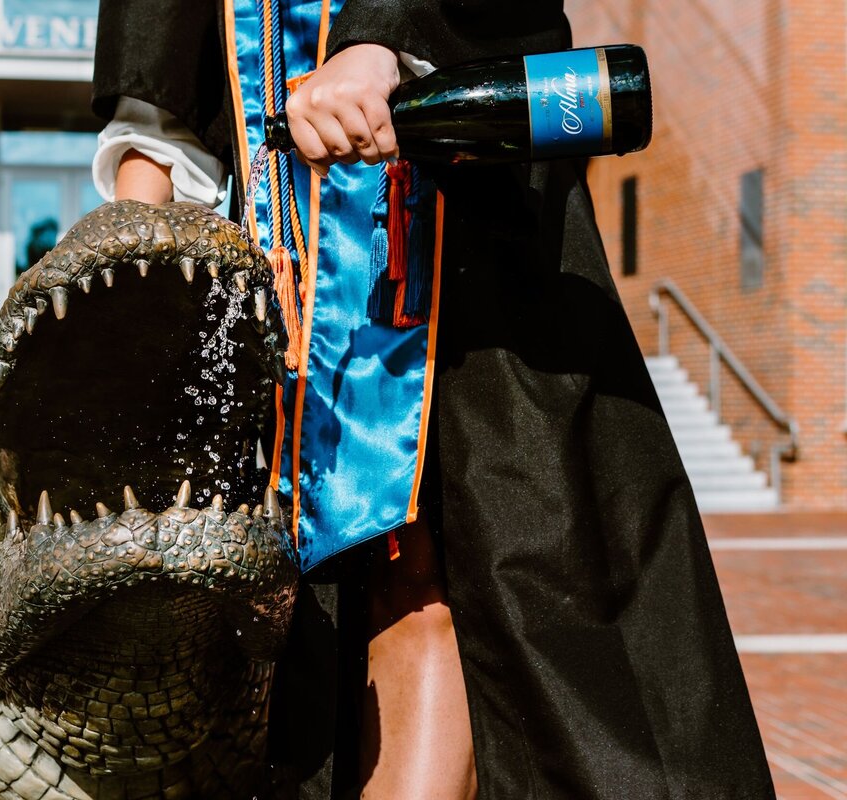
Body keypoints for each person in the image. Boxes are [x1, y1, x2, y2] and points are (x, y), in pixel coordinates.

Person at [91, 2, 777, 798]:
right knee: (350, 619)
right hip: (293, 281)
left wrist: (384, 37)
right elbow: (159, 82)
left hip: (477, 227)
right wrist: (140, 234)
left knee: (513, 586)